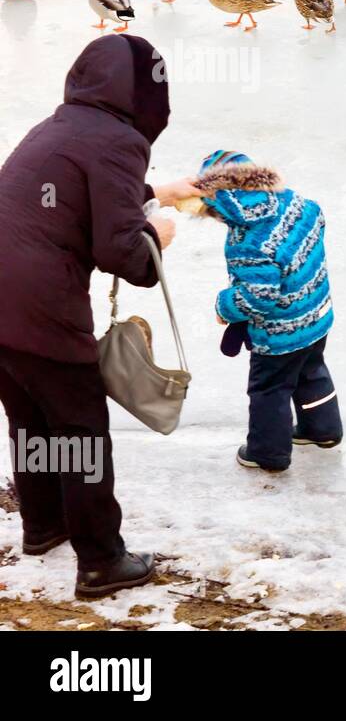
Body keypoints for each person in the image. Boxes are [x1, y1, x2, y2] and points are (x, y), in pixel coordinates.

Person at [0, 35, 199, 599]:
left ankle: (43, 526)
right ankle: (101, 562)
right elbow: (119, 250)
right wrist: (155, 236)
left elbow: (73, 194)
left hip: (2, 305)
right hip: (41, 308)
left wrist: (158, 190)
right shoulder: (118, 139)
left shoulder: (60, 125)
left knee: (31, 418)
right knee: (81, 430)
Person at [194, 150, 341, 472]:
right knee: (311, 371)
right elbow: (316, 219)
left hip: (280, 334)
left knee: (270, 389)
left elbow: (259, 297)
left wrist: (225, 306)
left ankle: (267, 453)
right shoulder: (295, 202)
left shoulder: (249, 240)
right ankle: (323, 430)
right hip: (315, 313)